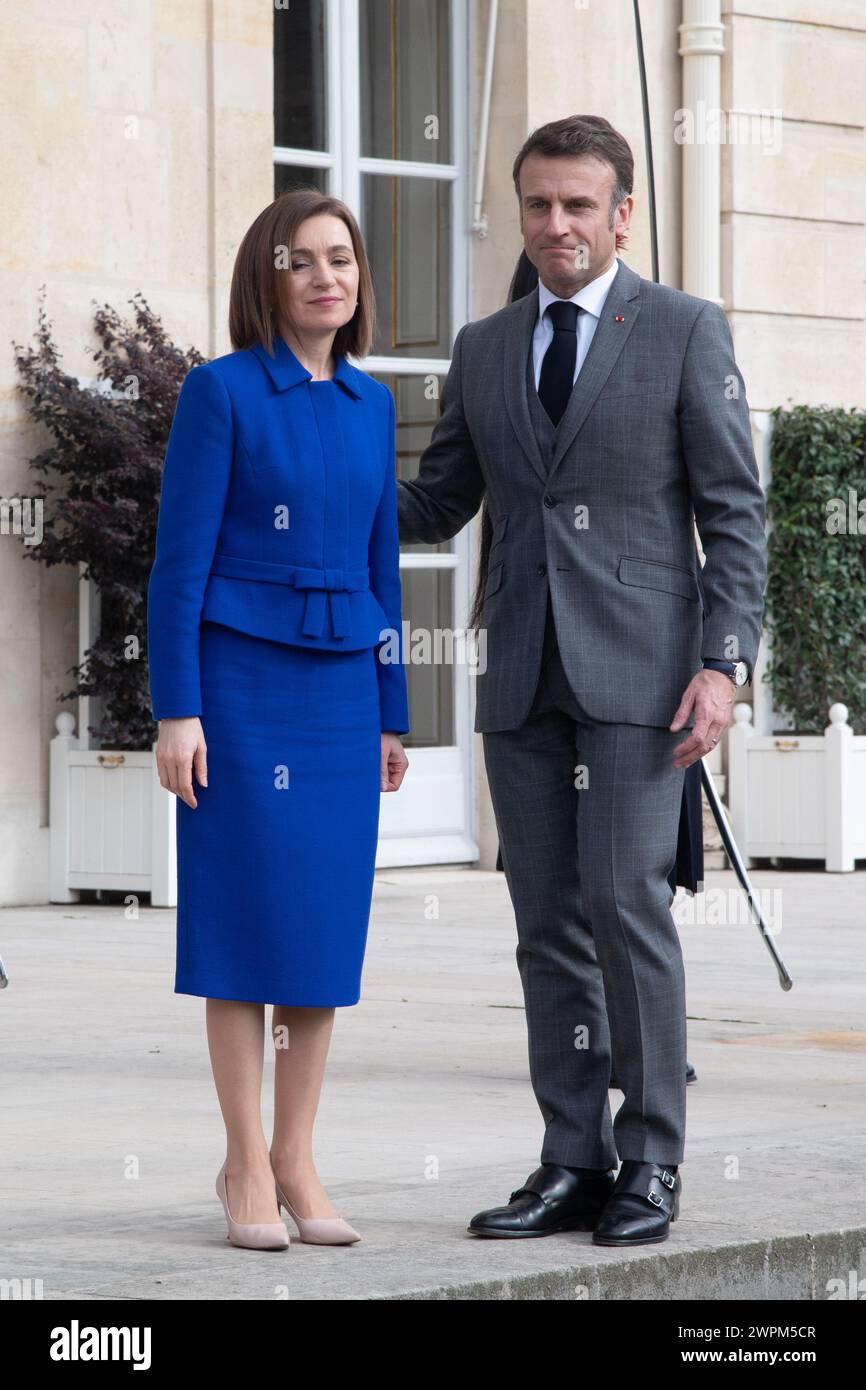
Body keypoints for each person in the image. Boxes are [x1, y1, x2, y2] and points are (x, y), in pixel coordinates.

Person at [396, 115, 766, 1246]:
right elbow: (436, 502)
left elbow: (732, 513)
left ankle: (649, 1158)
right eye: (537, 205)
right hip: (518, 670)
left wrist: (722, 663)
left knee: (624, 907)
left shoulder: (684, 332)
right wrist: (307, 464)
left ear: (620, 213)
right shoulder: (485, 343)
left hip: (643, 679)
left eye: (575, 205)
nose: (554, 225)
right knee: (544, 923)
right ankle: (571, 1157)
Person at [147, 190, 410, 1251]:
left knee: (315, 933)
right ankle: (244, 1162)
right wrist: (178, 709)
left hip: (342, 697)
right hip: (241, 693)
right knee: (242, 928)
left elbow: (381, 565)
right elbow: (177, 565)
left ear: (357, 279)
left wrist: (394, 713)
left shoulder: (372, 403)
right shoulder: (219, 394)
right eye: (298, 261)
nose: (322, 277)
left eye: (338, 259)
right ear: (266, 279)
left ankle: (298, 1156)